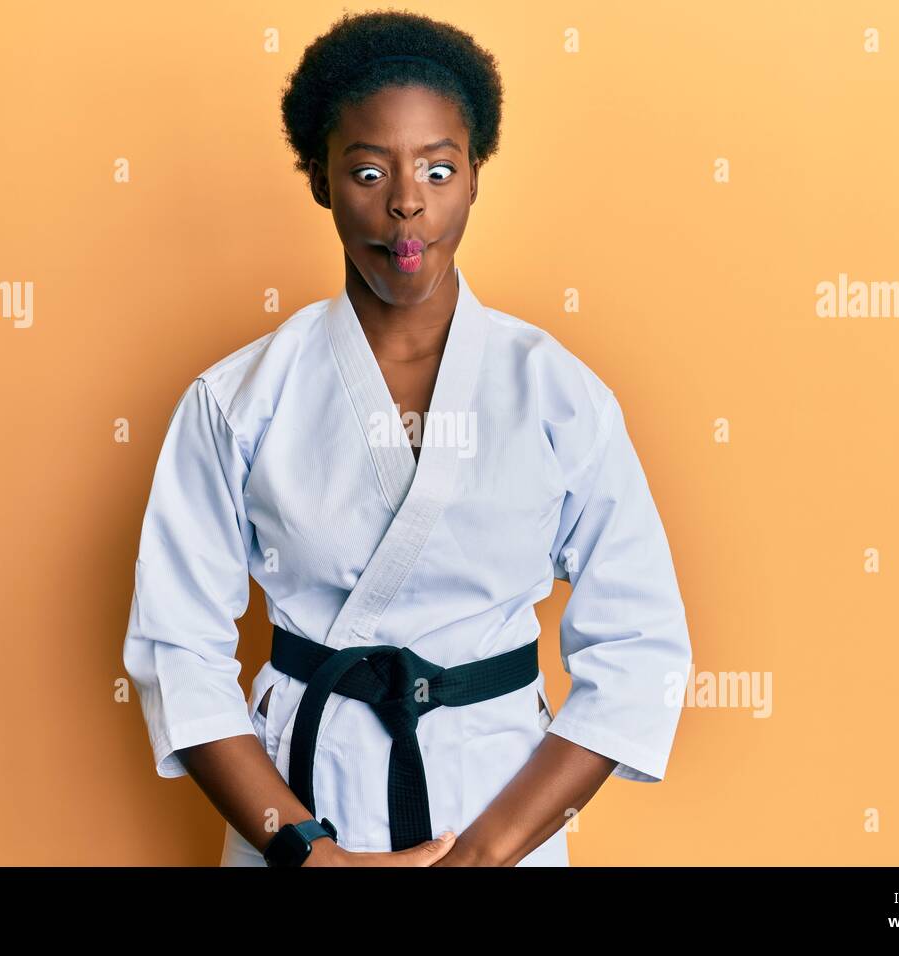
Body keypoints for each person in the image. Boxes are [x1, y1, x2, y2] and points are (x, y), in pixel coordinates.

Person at [121, 10, 692, 867]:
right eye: (366, 169)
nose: (405, 203)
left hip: (500, 809)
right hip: (301, 805)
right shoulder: (238, 399)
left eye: (437, 167)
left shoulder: (558, 396)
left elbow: (639, 644)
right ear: (320, 180)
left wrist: (484, 855)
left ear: (473, 178)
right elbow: (180, 649)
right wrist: (309, 854)